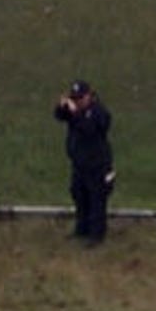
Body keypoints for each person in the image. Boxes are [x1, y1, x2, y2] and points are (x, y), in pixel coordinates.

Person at [53, 78, 114, 246]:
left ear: (88, 96)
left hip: (97, 165)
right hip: (80, 163)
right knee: (79, 195)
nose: (77, 102)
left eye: (80, 98)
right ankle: (82, 229)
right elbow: (59, 116)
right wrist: (62, 106)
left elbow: (89, 130)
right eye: (74, 98)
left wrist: (76, 114)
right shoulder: (76, 111)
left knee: (96, 199)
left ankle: (96, 235)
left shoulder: (99, 113)